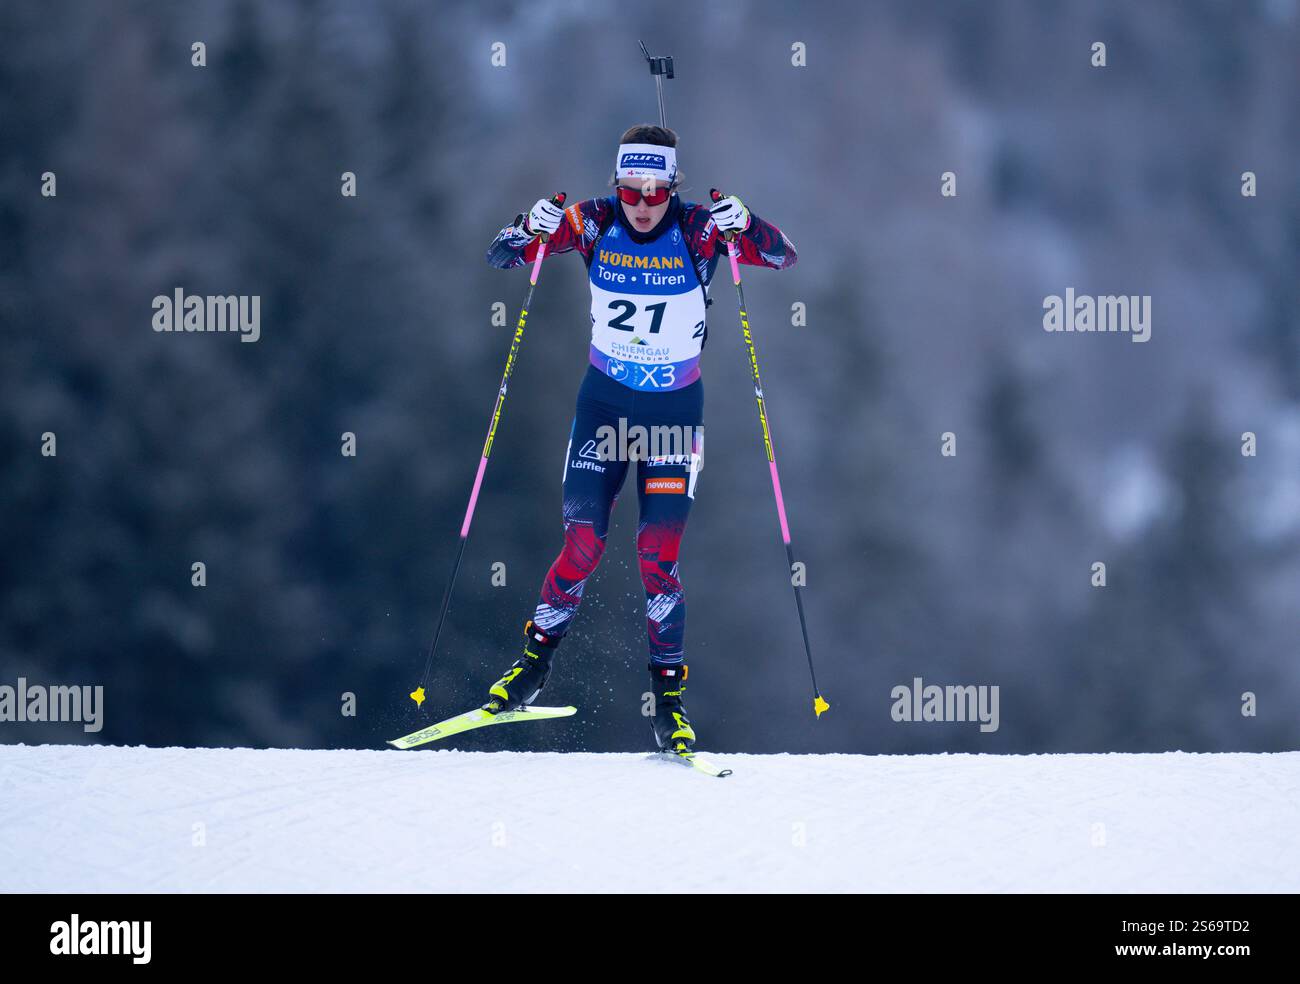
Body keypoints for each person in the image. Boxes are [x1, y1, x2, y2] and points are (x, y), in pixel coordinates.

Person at [481, 124, 797, 752]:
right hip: (603, 406)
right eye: (633, 189)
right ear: (617, 185)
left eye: (657, 190)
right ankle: (533, 666)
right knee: (583, 543)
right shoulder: (591, 222)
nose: (645, 202)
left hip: (672, 415)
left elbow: (784, 253)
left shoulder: (702, 228)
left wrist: (749, 223)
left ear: (673, 187)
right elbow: (501, 255)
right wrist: (530, 225)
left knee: (657, 555)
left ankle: (670, 705)